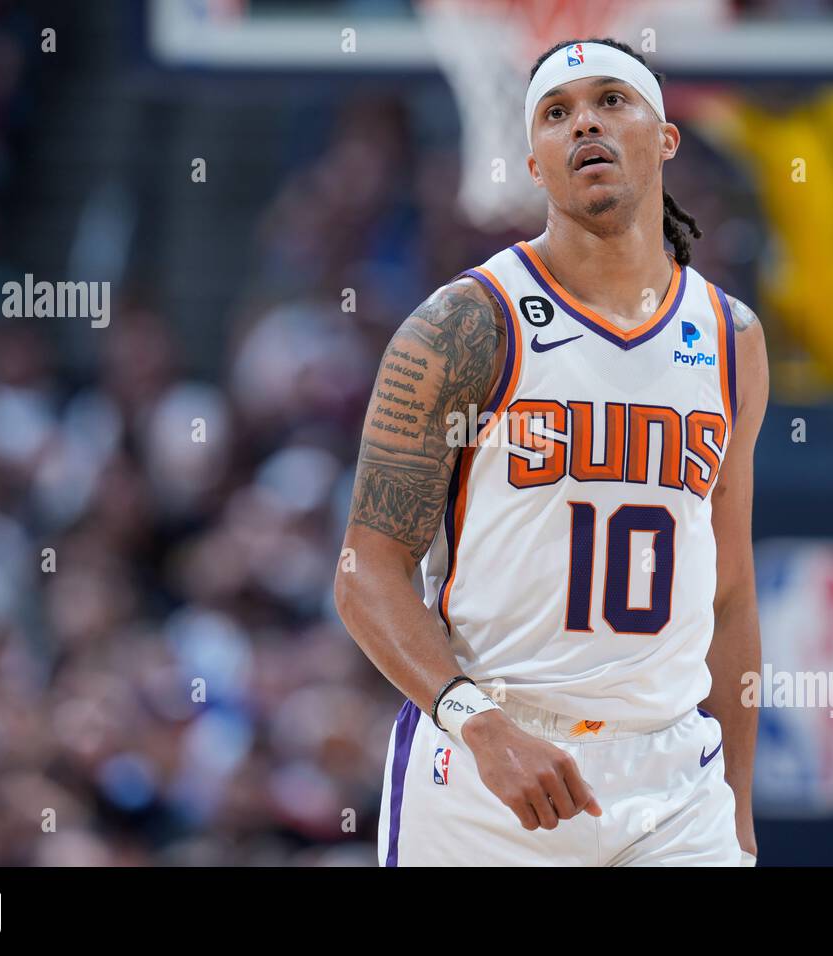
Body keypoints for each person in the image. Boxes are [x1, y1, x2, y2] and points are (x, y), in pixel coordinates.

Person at [335, 38, 768, 866]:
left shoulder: (730, 338)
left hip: (675, 777)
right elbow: (365, 572)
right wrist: (479, 726)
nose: (585, 125)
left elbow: (732, 593)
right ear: (531, 161)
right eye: (557, 114)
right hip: (489, 767)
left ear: (665, 138)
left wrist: (738, 811)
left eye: (612, 100)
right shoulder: (463, 325)